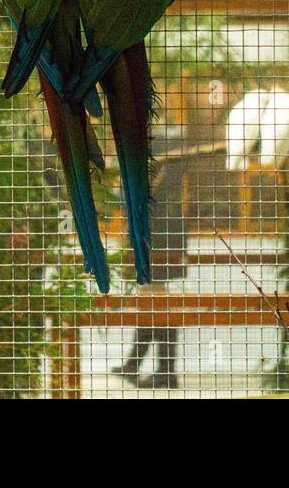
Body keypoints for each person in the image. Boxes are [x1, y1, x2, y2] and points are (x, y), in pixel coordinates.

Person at [112, 139, 189, 390]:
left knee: (158, 311)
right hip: (159, 250)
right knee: (153, 310)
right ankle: (138, 365)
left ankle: (164, 371)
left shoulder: (159, 186)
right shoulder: (162, 183)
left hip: (158, 251)